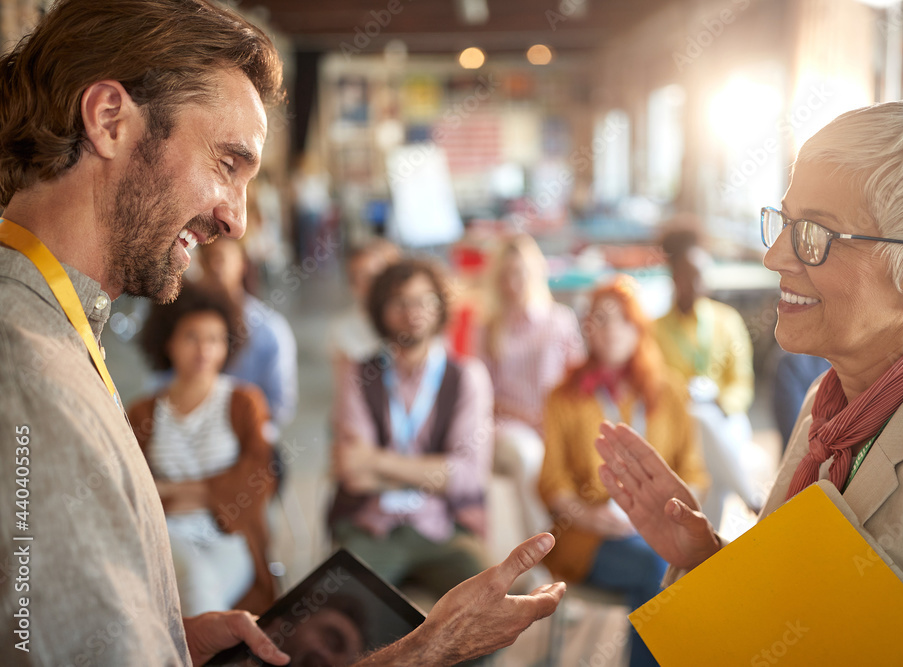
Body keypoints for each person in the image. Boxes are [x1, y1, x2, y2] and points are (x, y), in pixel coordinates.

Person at [0, 1, 563, 665]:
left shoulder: (55, 327)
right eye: (226, 163)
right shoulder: (30, 374)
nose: (237, 220)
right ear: (109, 119)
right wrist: (426, 651)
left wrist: (170, 638)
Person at [596, 100, 903, 664]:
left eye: (816, 234)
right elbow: (801, 623)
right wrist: (705, 558)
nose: (774, 256)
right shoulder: (825, 407)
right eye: (785, 222)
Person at [538, 276, 707, 667]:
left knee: (682, 561)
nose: (611, 329)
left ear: (638, 327)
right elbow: (552, 481)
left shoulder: (669, 390)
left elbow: (694, 472)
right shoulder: (564, 396)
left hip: (660, 523)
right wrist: (588, 515)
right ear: (587, 328)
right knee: (660, 566)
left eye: (622, 319)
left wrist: (672, 512)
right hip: (589, 535)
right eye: (601, 319)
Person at [328, 258, 494, 599]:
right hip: (372, 524)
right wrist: (434, 472)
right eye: (399, 302)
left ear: (440, 307)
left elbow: (467, 476)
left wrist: (376, 461)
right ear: (380, 311)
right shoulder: (358, 374)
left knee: (487, 603)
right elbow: (354, 473)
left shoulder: (467, 377)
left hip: (445, 526)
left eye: (424, 301)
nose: (413, 312)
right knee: (341, 607)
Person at [127, 281, 275, 617]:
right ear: (168, 341)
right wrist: (216, 490)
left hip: (228, 534)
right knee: (195, 582)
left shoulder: (244, 403)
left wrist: (170, 490)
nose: (203, 350)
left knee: (199, 591)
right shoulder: (143, 413)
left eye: (214, 339)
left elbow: (258, 481)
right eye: (191, 337)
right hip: (166, 534)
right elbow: (134, 492)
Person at [652, 224, 762, 524]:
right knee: (699, 420)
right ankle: (752, 499)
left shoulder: (727, 321)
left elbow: (742, 382)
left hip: (726, 418)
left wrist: (720, 402)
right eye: (689, 275)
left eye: (702, 274)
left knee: (710, 455)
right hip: (681, 420)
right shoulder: (654, 330)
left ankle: (709, 538)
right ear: (674, 277)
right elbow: (654, 384)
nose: (698, 282)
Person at [477, 234, 585, 538]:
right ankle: (542, 546)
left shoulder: (560, 320)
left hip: (554, 418)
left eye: (519, 273)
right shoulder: (487, 326)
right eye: (505, 274)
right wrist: (529, 417)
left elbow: (577, 380)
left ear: (534, 273)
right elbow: (482, 394)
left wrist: (556, 419)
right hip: (507, 423)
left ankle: (582, 537)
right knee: (529, 455)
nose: (512, 283)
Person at [198, 236, 298, 435]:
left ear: (242, 264)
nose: (214, 266)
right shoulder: (184, 322)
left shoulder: (270, 329)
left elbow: (280, 406)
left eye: (221, 258)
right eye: (207, 258)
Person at [328, 238, 401, 377]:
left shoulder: (412, 319)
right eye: (356, 277)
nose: (365, 284)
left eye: (372, 277)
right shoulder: (342, 328)